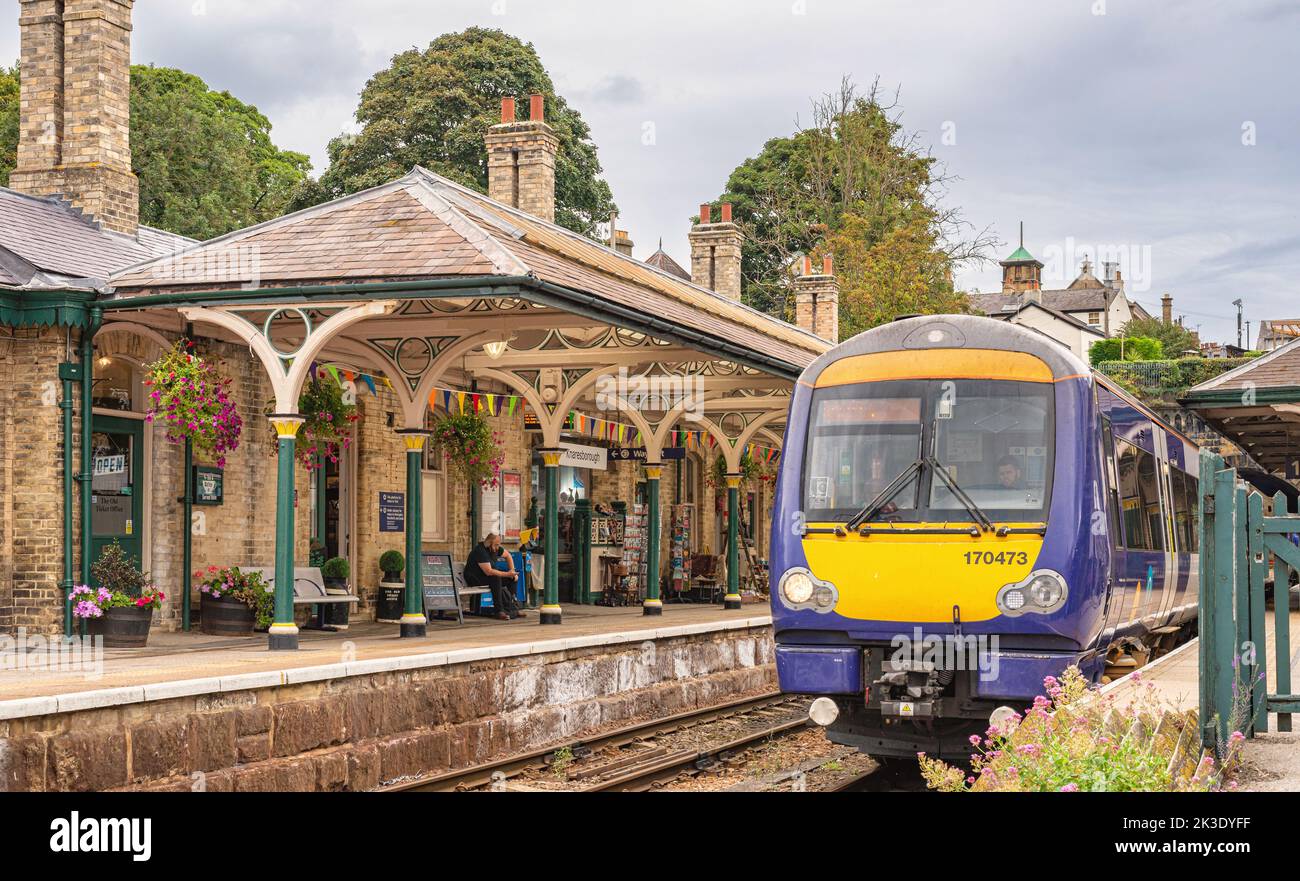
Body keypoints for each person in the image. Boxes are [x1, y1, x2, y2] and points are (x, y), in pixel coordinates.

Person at [467, 533, 524, 620]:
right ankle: (499, 611)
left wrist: (512, 571)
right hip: (474, 578)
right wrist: (508, 574)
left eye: (499, 544)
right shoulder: (480, 551)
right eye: (496, 545)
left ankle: (513, 608)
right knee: (495, 577)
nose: (498, 547)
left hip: (487, 577)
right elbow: (489, 571)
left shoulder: (495, 549)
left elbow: (508, 556)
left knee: (511, 578)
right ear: (489, 543)